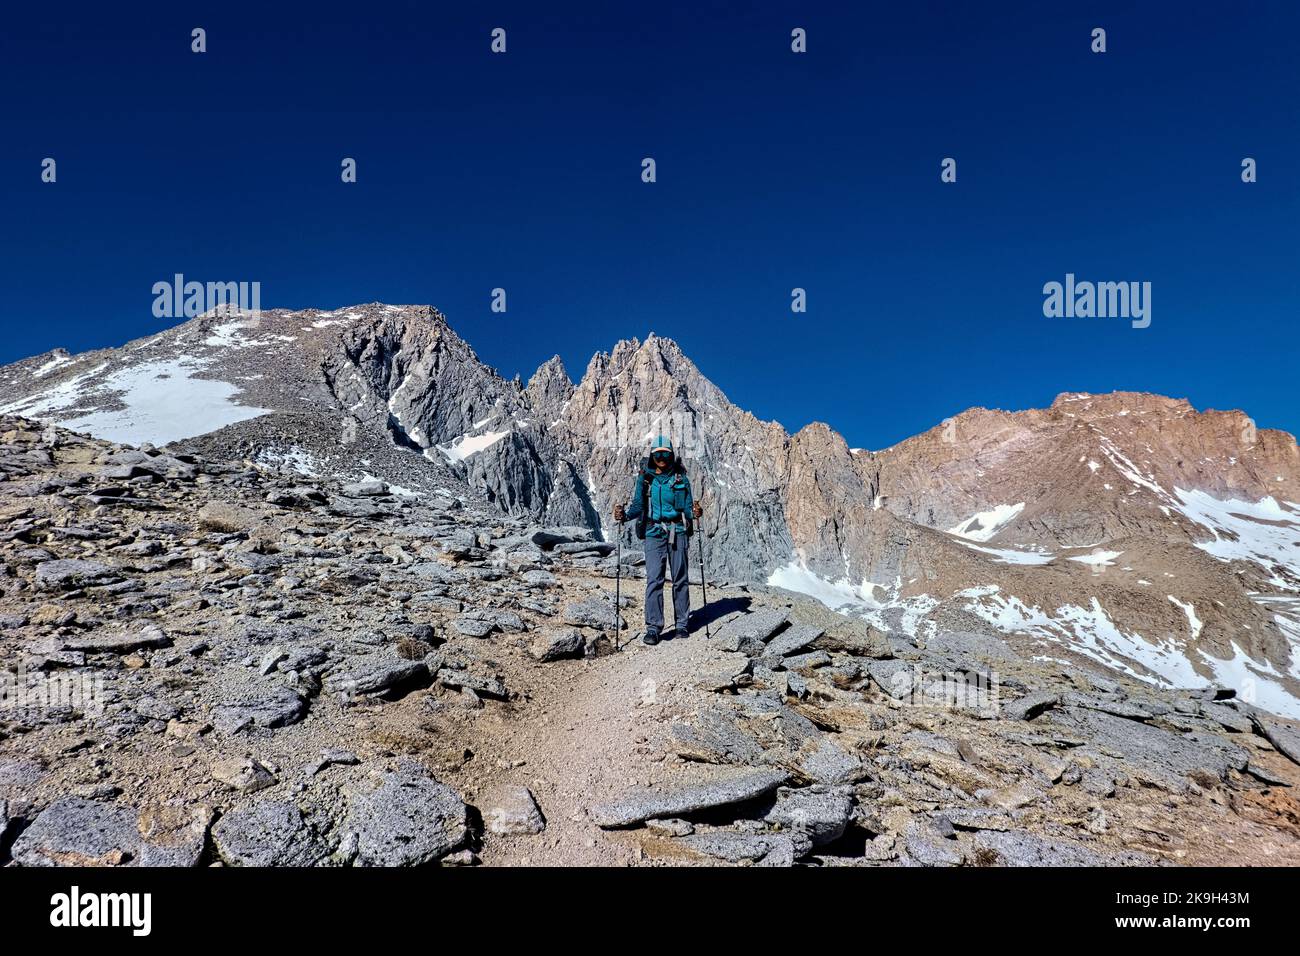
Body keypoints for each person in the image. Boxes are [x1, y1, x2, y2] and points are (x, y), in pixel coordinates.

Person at [613, 435, 704, 645]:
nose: (661, 458)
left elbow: (689, 510)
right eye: (657, 454)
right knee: (654, 579)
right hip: (653, 532)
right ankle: (653, 627)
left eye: (665, 454)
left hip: (678, 531)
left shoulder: (681, 479)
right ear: (652, 456)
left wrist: (695, 512)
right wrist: (624, 516)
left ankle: (682, 624)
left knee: (680, 578)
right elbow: (638, 506)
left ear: (671, 455)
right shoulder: (645, 479)